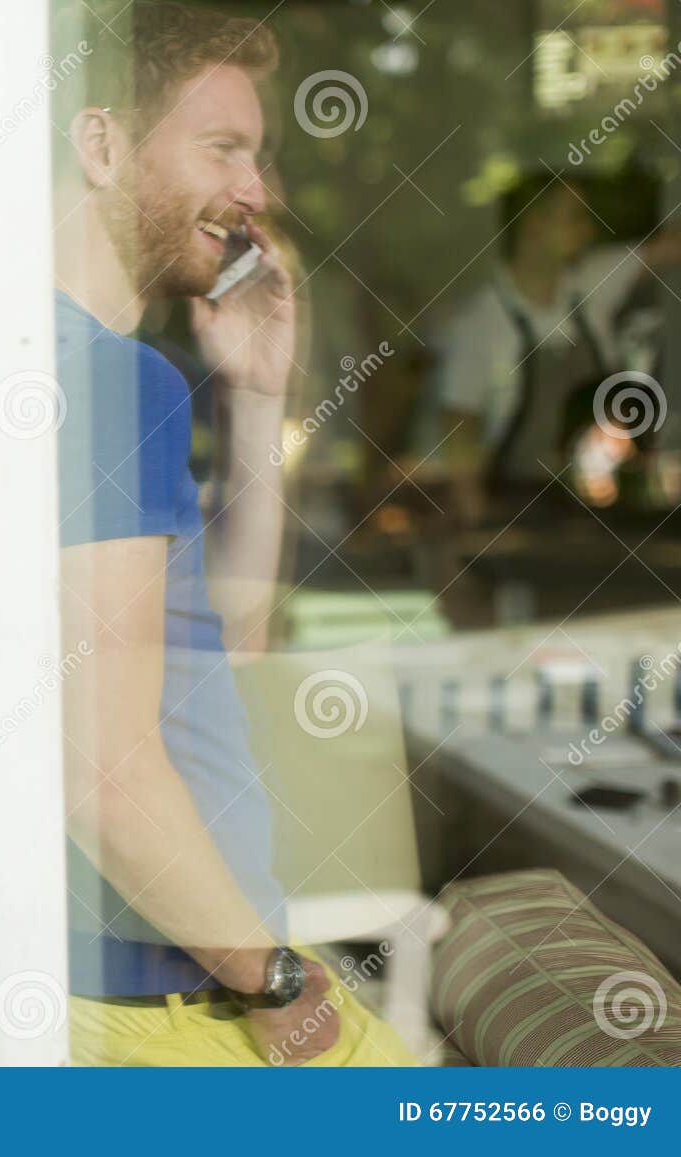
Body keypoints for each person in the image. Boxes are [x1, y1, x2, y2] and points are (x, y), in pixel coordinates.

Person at [53, 1, 414, 1066]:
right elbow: (100, 773)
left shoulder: (105, 376)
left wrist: (254, 400)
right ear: (103, 142)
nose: (254, 191)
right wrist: (276, 984)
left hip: (185, 984)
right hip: (181, 1006)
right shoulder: (109, 382)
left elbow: (227, 650)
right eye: (223, 148)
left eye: (256, 155)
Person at [435, 171, 681, 521]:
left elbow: (669, 248)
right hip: (521, 517)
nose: (588, 231)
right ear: (535, 225)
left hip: (607, 509)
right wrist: (475, 525)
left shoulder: (590, 285)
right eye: (575, 218)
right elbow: (459, 425)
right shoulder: (480, 325)